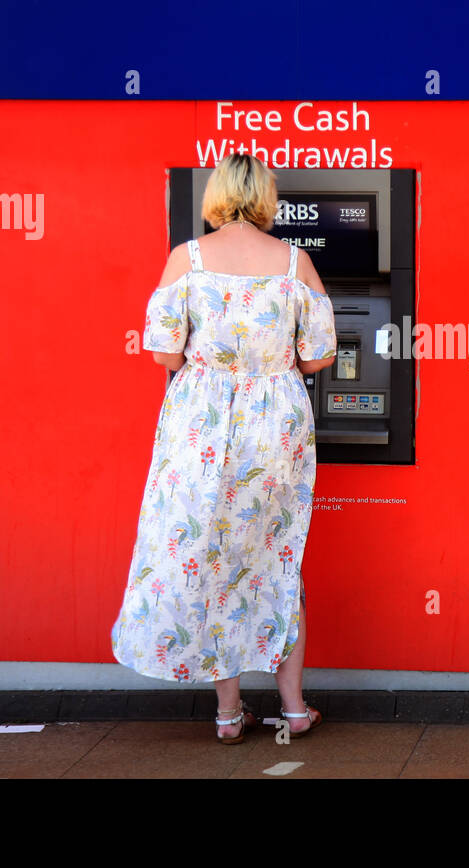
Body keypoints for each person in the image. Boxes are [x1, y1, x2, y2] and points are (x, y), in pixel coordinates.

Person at [110, 153, 336, 744]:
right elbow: (318, 357)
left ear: (214, 196)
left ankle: (228, 716)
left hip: (201, 427)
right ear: (267, 197)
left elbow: (162, 351)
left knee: (211, 560)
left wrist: (215, 363)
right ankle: (292, 710)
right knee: (277, 561)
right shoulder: (295, 262)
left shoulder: (187, 259)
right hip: (275, 428)